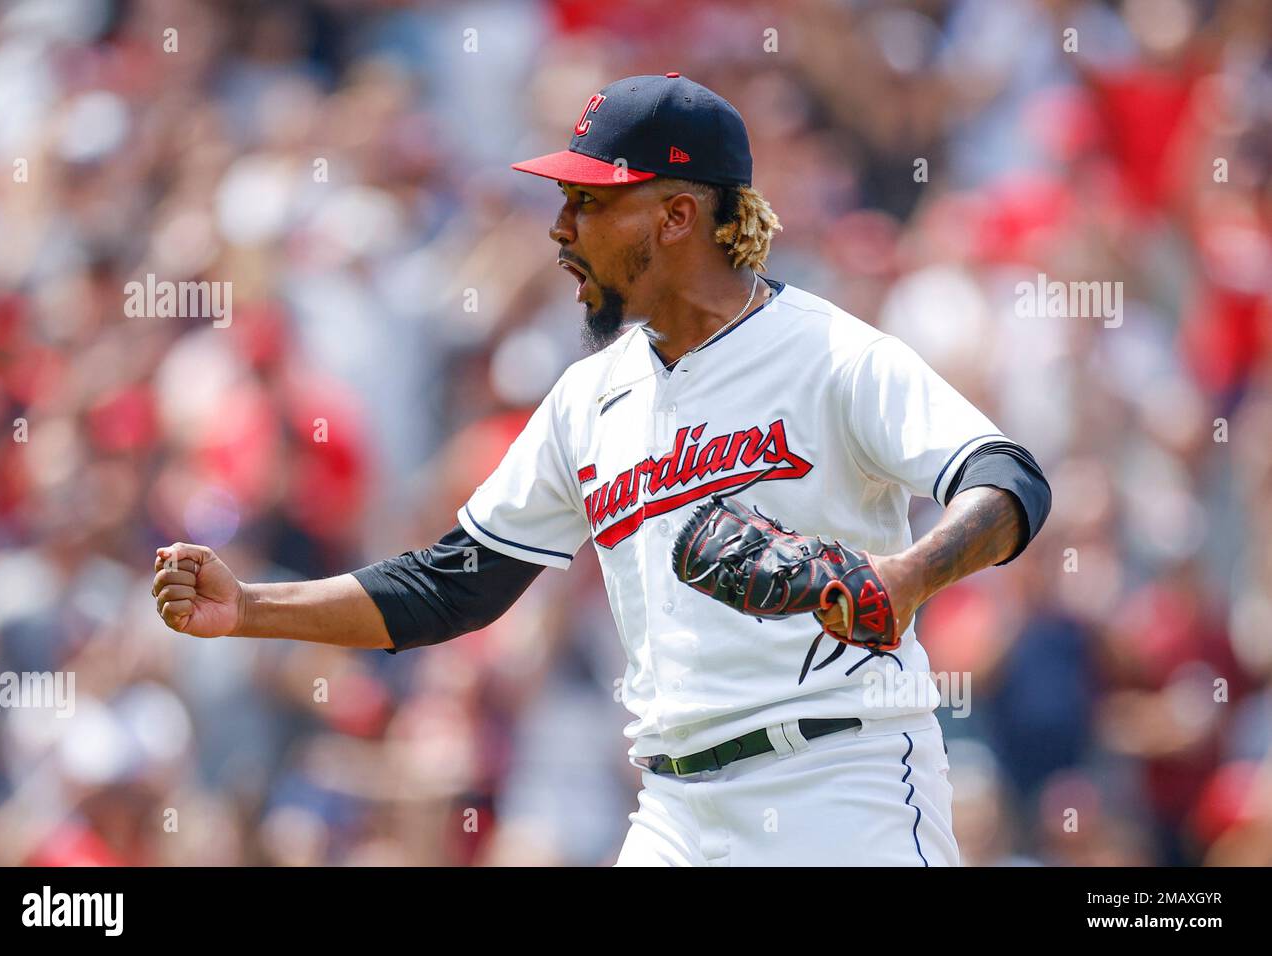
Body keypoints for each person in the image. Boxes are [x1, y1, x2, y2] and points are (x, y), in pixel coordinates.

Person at [153, 74, 1051, 866]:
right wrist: (253, 610)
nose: (560, 228)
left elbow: (1011, 479)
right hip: (673, 805)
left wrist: (909, 575)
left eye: (590, 201)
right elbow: (455, 585)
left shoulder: (830, 353)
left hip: (838, 782)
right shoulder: (588, 400)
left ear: (676, 214)